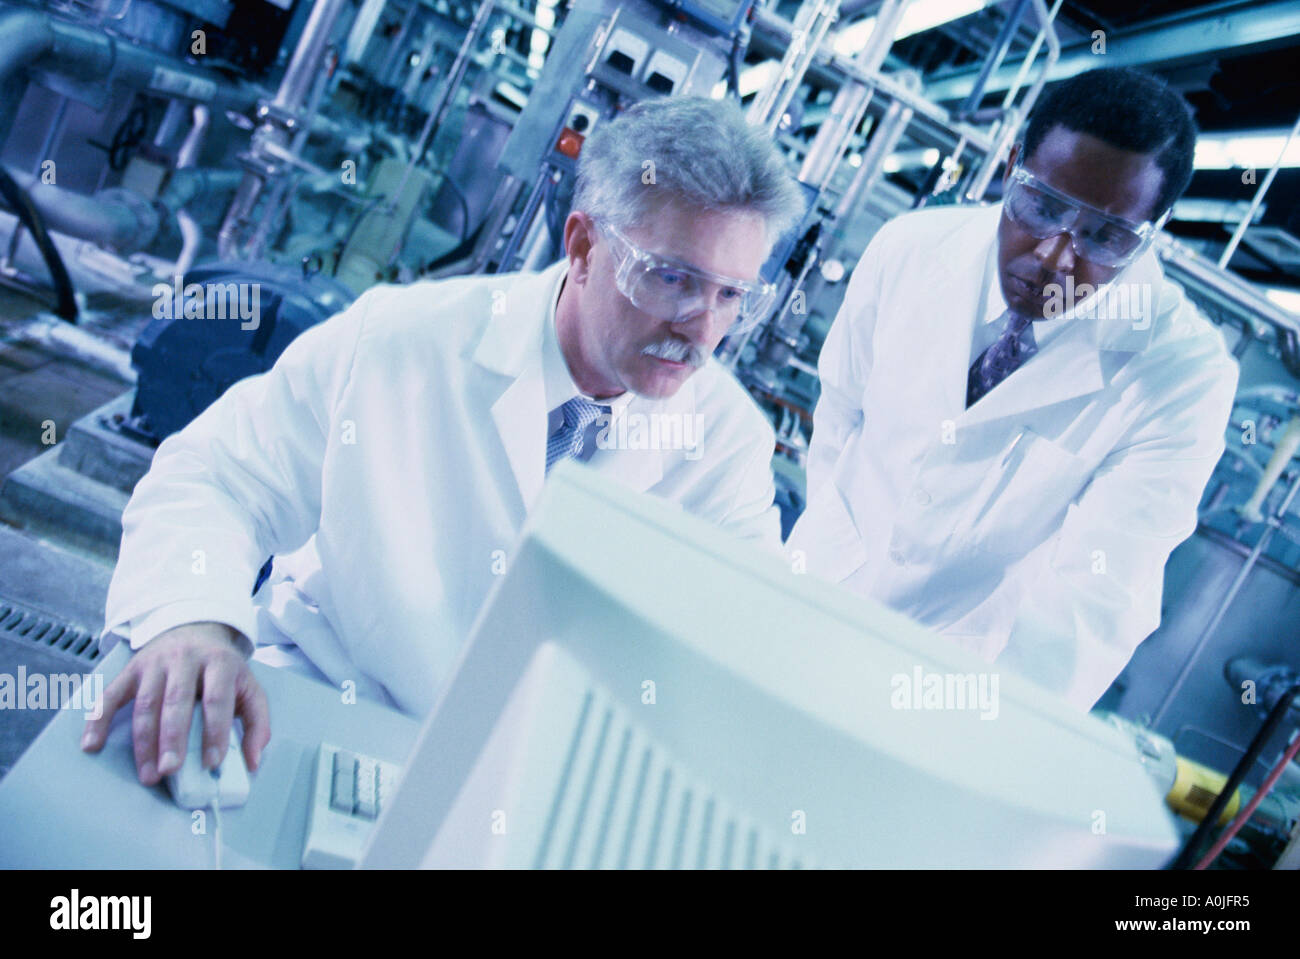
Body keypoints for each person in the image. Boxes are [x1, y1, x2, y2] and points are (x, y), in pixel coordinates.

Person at [82, 95, 806, 785]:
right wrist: (196, 619)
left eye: (731, 295)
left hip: (519, 781)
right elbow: (221, 476)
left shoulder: (726, 443)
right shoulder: (407, 338)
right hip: (324, 700)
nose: (701, 327)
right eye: (671, 277)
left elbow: (739, 639)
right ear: (583, 245)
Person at [787, 67, 1238, 709]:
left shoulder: (1181, 373)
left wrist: (995, 735)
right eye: (1042, 206)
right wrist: (830, 550)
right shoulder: (910, 248)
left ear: (1151, 231)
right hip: (812, 592)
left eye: (1106, 236)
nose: (1056, 257)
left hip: (964, 685)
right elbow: (839, 415)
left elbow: (1099, 598)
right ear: (1010, 167)